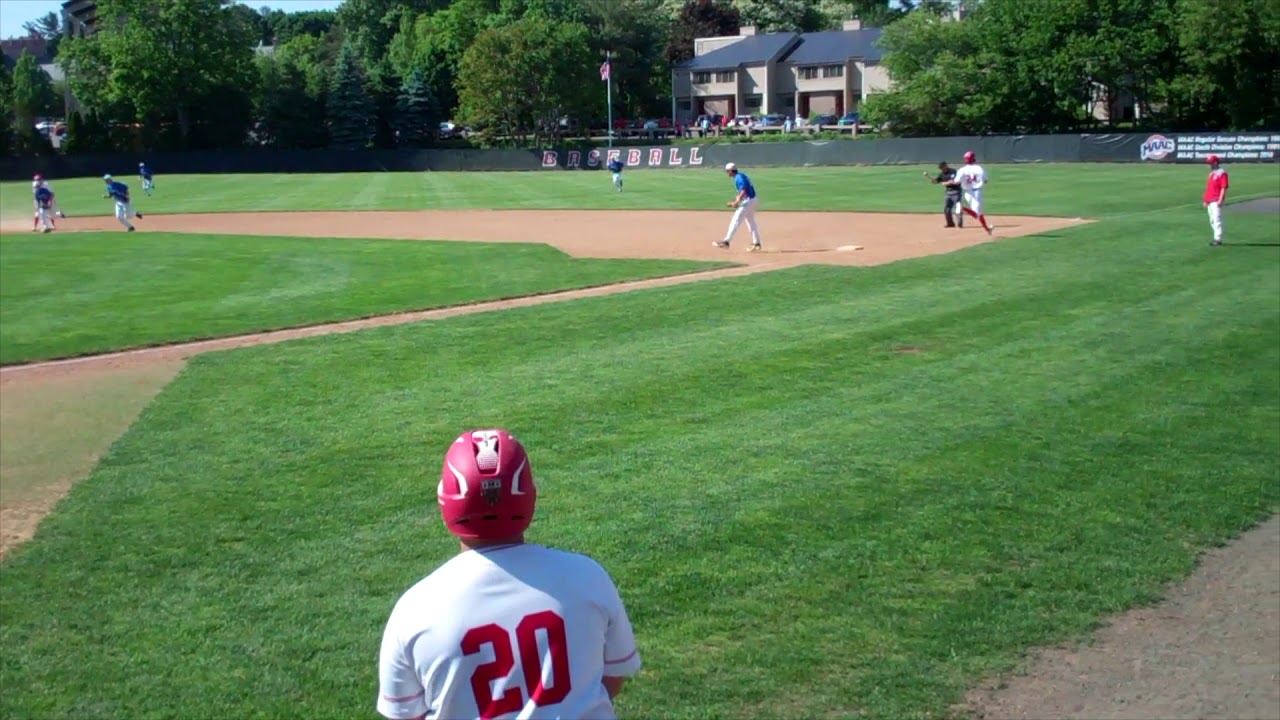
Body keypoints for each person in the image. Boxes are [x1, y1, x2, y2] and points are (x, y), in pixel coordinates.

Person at [377, 429, 643, 720]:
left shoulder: (414, 610)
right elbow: (612, 680)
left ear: (446, 500)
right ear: (529, 496)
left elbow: (406, 715)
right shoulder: (588, 576)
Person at [713, 162, 762, 252]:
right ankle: (757, 243)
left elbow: (744, 189)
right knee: (751, 222)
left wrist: (737, 201)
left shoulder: (738, 178)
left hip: (749, 202)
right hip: (753, 200)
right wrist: (738, 198)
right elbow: (743, 190)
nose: (727, 173)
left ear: (731, 171)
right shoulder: (741, 175)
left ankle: (726, 241)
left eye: (727, 171)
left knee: (736, 220)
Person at [955, 151, 993, 236]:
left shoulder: (962, 170)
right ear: (974, 159)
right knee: (976, 214)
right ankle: (962, 208)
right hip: (976, 193)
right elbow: (986, 180)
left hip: (967, 193)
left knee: (979, 213)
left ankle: (987, 229)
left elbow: (956, 182)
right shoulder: (979, 168)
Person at [923, 161, 964, 228]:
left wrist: (945, 183)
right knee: (947, 209)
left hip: (956, 191)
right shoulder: (942, 174)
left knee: (958, 208)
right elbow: (936, 181)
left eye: (942, 168)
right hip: (948, 193)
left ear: (946, 166)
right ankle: (950, 223)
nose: (942, 169)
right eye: (941, 168)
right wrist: (931, 179)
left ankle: (960, 223)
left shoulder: (954, 172)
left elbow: (953, 181)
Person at [1203, 154, 1229, 246]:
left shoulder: (1222, 173)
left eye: (1210, 163)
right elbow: (1209, 188)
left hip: (1216, 199)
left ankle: (1218, 239)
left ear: (1215, 162)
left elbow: (1223, 187)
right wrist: (1205, 200)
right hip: (1210, 199)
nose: (1209, 165)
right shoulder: (1211, 173)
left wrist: (1221, 199)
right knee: (1212, 220)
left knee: (1217, 219)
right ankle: (1216, 237)